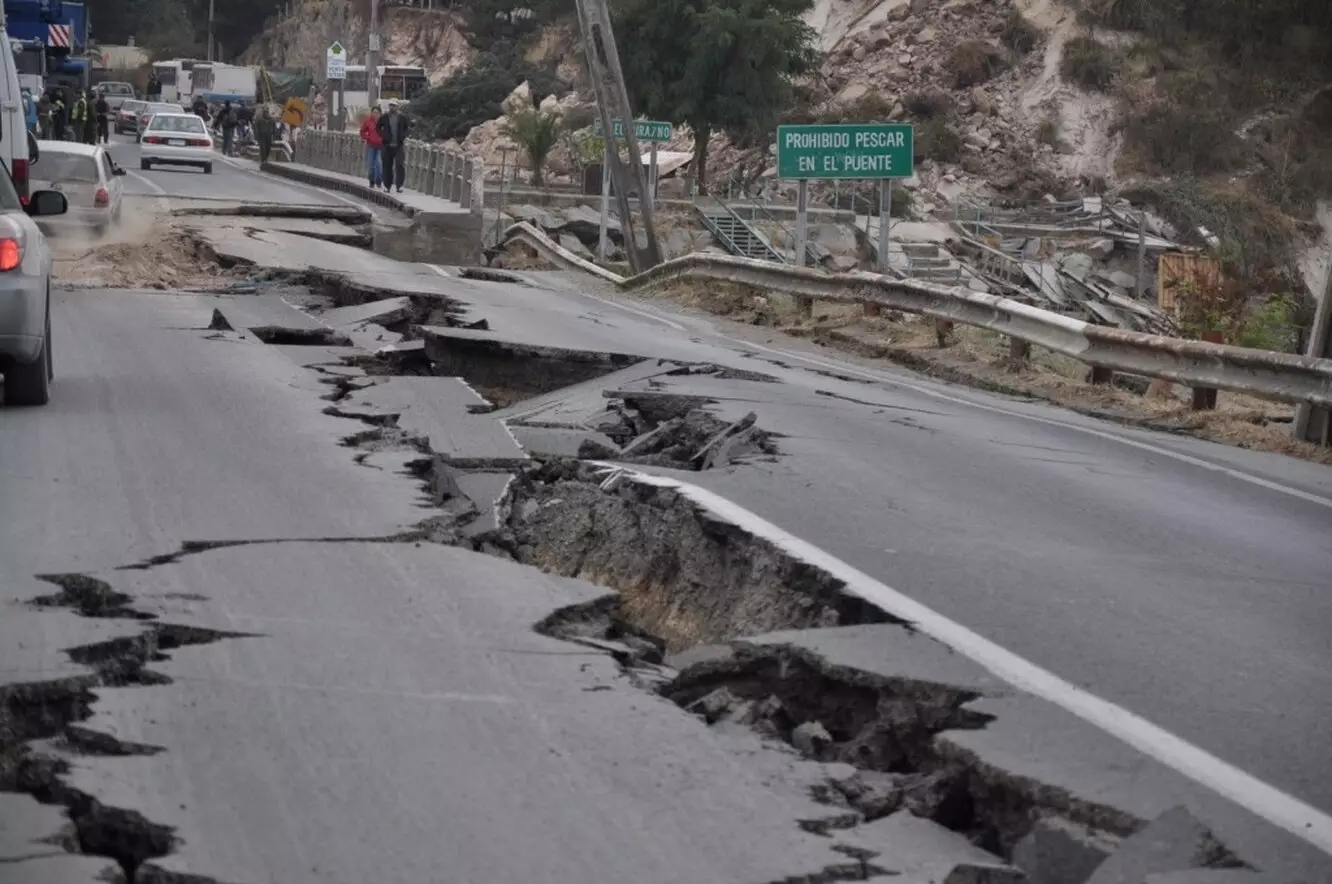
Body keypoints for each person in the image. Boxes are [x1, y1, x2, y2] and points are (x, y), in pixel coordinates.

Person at [375, 100, 409, 193]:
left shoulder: (402, 117)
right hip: (387, 145)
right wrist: (383, 135)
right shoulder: (384, 117)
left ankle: (399, 185)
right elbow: (378, 128)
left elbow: (407, 128)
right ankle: (387, 185)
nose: (392, 107)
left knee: (400, 165)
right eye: (390, 105)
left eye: (394, 105)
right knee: (387, 166)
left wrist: (403, 136)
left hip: (398, 145)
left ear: (397, 107)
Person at [359, 107, 383, 189]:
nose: (375, 114)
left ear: (380, 113)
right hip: (371, 146)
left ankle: (379, 181)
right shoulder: (368, 121)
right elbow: (362, 131)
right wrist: (367, 137)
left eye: (377, 112)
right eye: (374, 112)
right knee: (370, 165)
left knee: (379, 163)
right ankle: (371, 181)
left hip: (381, 146)